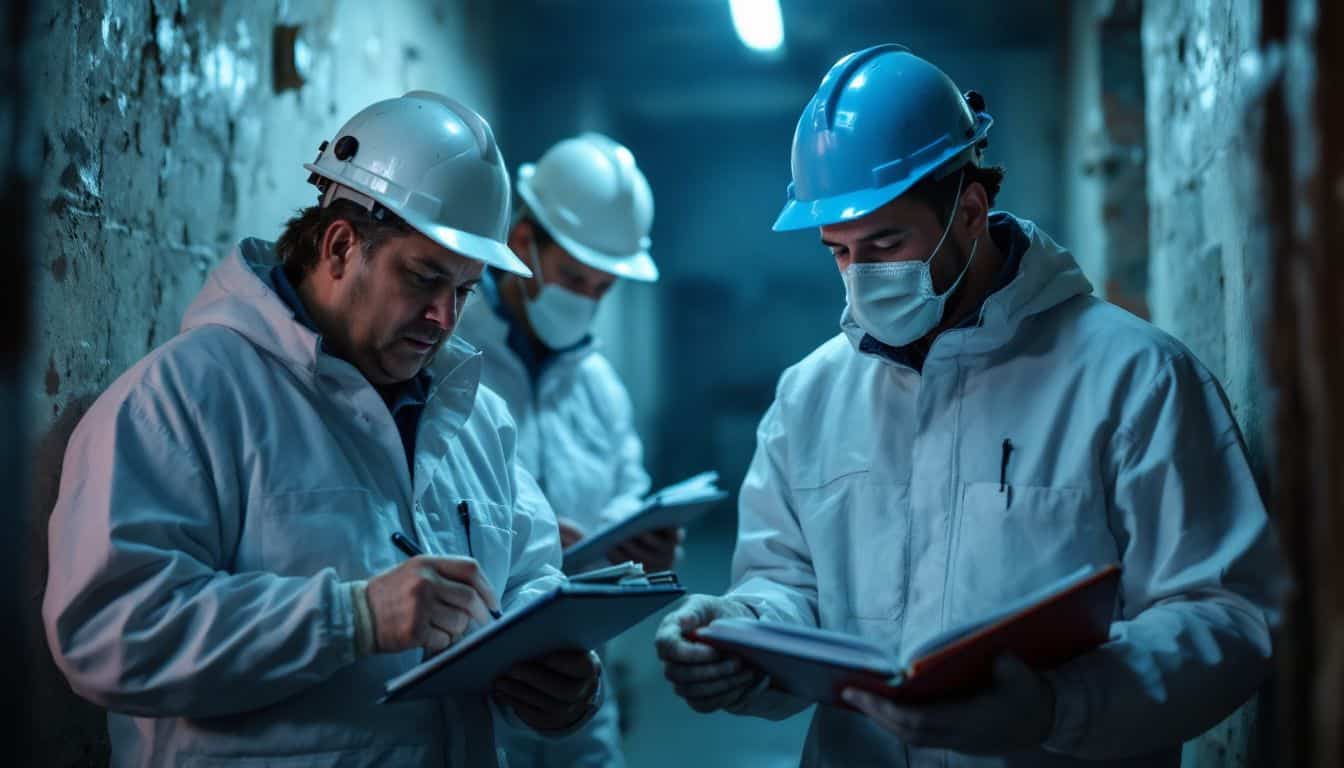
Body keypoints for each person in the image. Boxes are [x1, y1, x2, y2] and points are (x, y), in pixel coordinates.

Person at [655, 45, 1286, 768]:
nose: (862, 277)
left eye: (886, 242)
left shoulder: (1135, 379)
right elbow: (788, 582)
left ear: (970, 211)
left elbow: (1224, 616)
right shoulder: (810, 396)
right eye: (839, 251)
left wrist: (1056, 707)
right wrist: (741, 630)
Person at [43, 91, 602, 768]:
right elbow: (109, 634)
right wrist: (352, 619)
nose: (444, 317)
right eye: (424, 278)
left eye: (464, 289)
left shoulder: (477, 418)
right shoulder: (184, 398)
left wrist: (556, 683)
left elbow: (533, 576)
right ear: (340, 246)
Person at [454, 133, 673, 767]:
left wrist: (640, 548)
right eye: (575, 278)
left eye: (603, 287)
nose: (587, 300)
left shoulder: (599, 385)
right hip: (475, 684)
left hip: (579, 682)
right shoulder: (444, 355)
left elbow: (626, 493)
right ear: (524, 242)